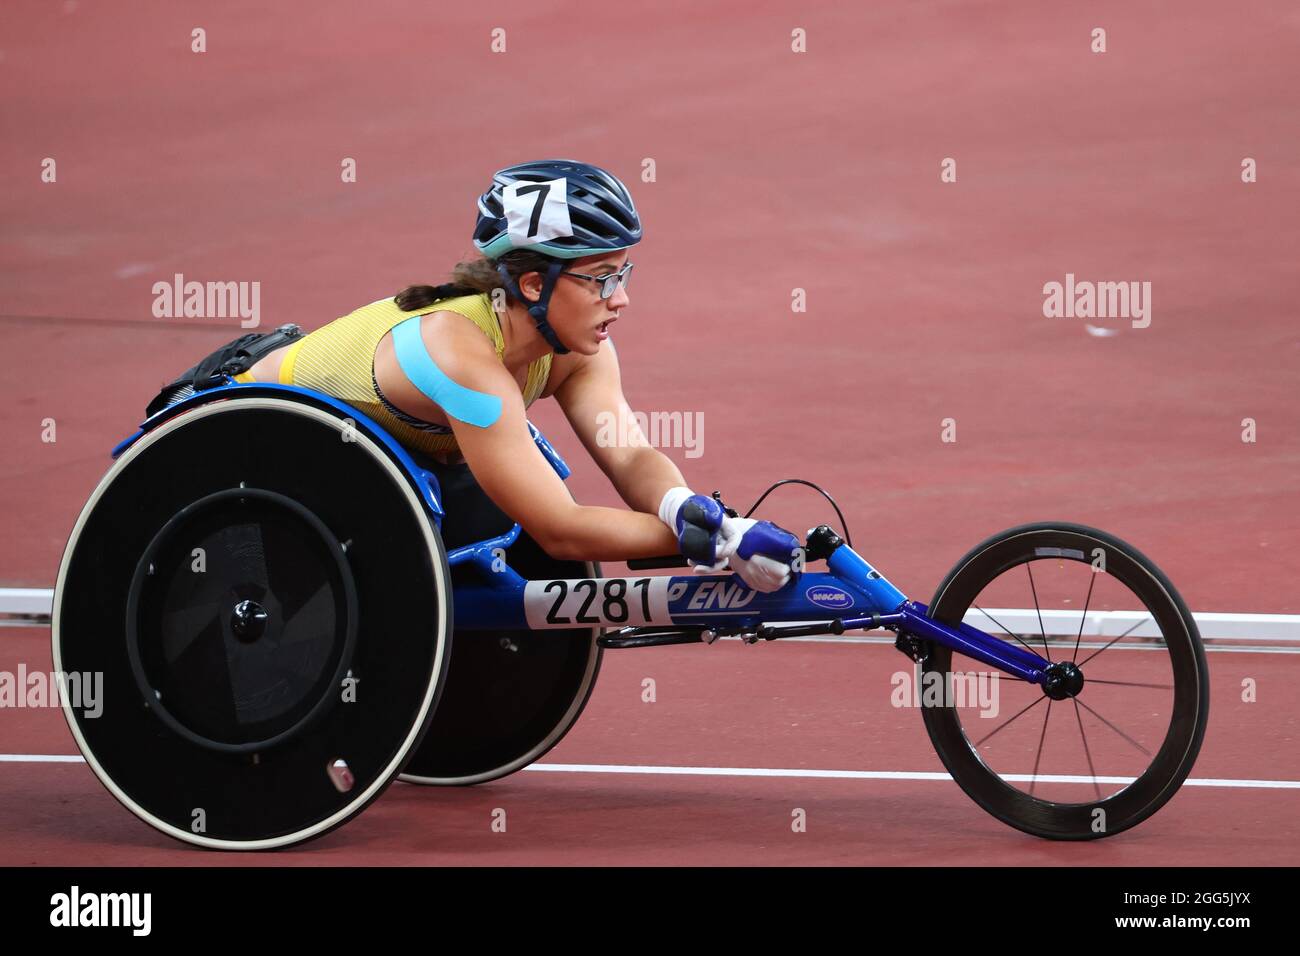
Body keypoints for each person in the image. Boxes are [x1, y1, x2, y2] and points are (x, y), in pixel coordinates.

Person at [167, 159, 799, 591]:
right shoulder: (458, 355)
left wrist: (692, 511)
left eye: (624, 274)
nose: (622, 298)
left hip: (347, 475)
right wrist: (715, 548)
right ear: (533, 284)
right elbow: (558, 529)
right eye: (603, 277)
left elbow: (630, 456)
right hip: (240, 447)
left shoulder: (577, 349)